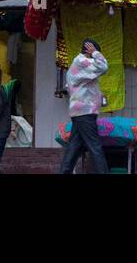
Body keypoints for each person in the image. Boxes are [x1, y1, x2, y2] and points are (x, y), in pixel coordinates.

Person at [58, 38, 109, 173]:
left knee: (73, 148)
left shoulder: (77, 64)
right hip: (85, 112)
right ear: (89, 50)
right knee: (95, 146)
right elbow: (103, 67)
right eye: (93, 52)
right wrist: (96, 53)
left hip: (80, 112)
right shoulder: (82, 62)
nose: (95, 56)